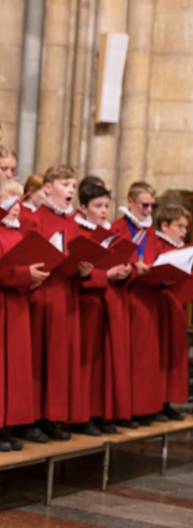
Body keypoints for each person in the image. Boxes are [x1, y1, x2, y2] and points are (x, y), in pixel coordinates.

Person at [0, 178, 44, 452]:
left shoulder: (17, 233)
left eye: (19, 203)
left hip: (16, 305)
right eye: (10, 203)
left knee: (13, 368)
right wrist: (25, 274)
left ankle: (5, 425)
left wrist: (35, 278)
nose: (17, 208)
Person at [25, 165, 92, 440]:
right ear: (48, 187)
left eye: (74, 186)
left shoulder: (72, 222)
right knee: (37, 358)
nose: (71, 191)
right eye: (66, 185)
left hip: (66, 294)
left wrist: (84, 269)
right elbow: (27, 255)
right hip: (41, 294)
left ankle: (50, 416)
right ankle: (29, 418)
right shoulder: (34, 218)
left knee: (58, 358)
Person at [73, 181, 131, 434]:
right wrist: (104, 275)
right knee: (85, 363)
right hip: (84, 304)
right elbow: (76, 272)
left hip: (106, 302)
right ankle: (82, 415)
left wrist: (126, 271)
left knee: (101, 363)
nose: (103, 211)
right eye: (98, 206)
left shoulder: (110, 234)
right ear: (83, 207)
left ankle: (99, 412)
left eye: (106, 206)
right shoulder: (78, 231)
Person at [109, 182, 168, 425]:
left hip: (146, 297)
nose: (148, 210)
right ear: (131, 202)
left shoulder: (151, 231)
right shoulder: (118, 228)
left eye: (153, 205)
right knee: (125, 357)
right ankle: (124, 410)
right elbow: (111, 260)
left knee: (144, 358)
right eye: (145, 205)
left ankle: (144, 407)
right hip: (124, 296)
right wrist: (134, 267)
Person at [155, 203, 191, 421]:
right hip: (158, 307)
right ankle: (155, 402)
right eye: (180, 226)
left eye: (186, 228)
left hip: (177, 306)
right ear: (165, 225)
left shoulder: (183, 250)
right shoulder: (158, 245)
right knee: (158, 355)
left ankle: (167, 402)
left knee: (174, 356)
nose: (184, 232)